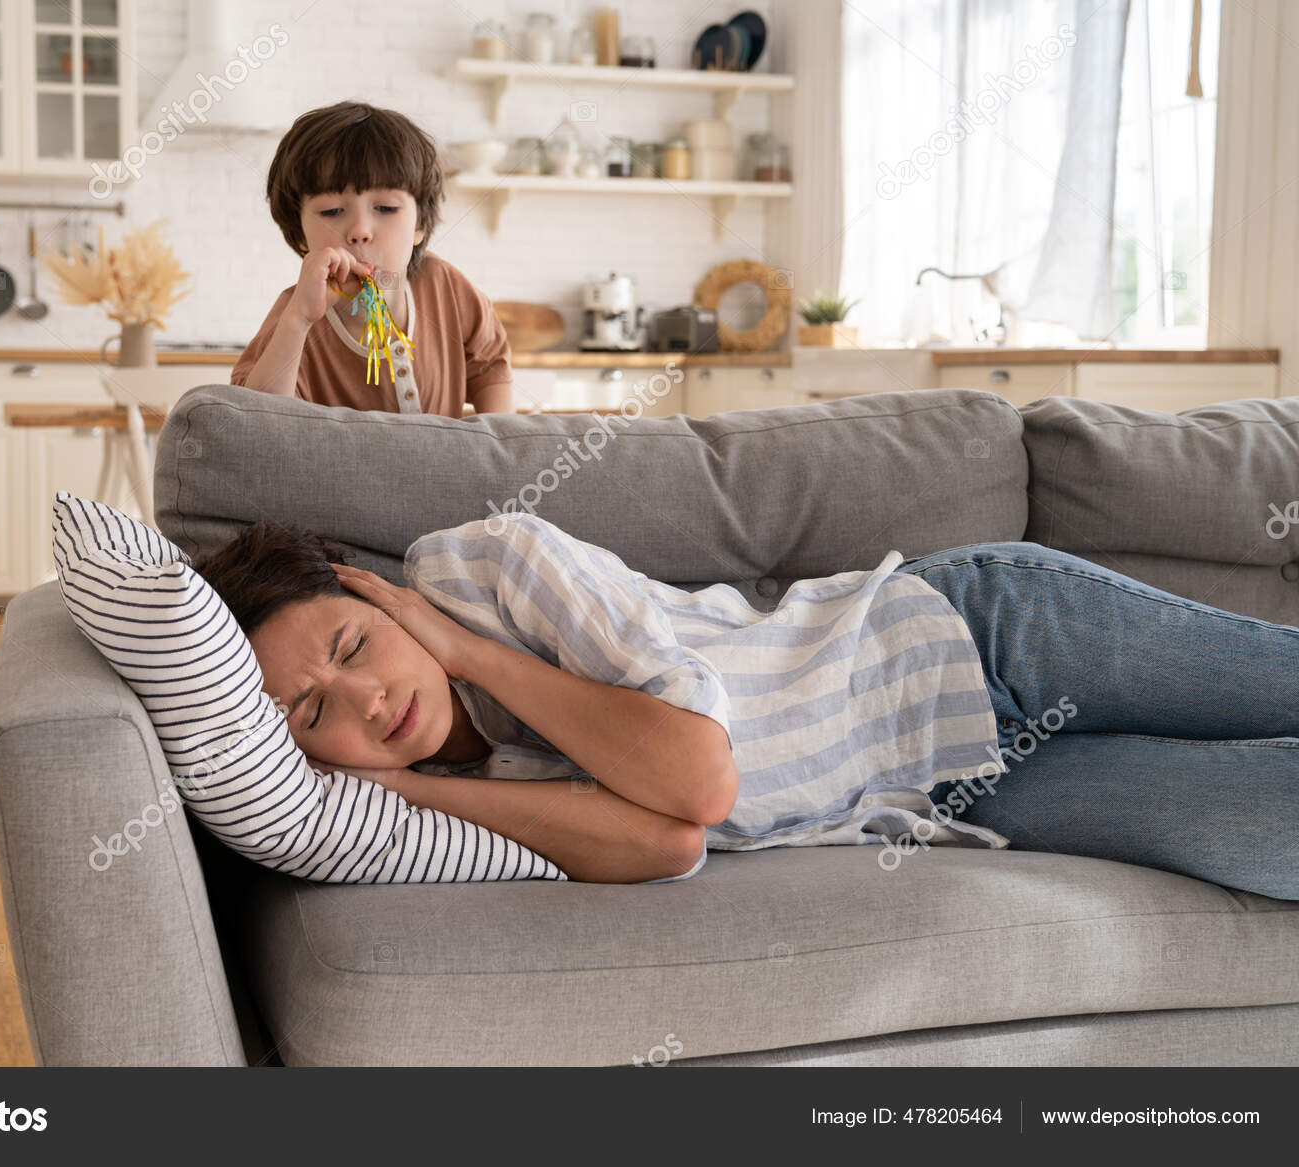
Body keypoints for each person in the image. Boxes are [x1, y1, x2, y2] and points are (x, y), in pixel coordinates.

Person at [194, 513, 1299, 898]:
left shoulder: (489, 566)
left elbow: (697, 777)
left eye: (351, 646)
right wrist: (406, 792)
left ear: (384, 601)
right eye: (307, 715)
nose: (364, 698)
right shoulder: (438, 796)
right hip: (965, 781)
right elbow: (668, 841)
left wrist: (477, 659)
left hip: (978, 635)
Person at [230, 101, 514, 417]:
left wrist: (494, 446)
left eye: (386, 209)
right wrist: (298, 321)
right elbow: (256, 422)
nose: (360, 231)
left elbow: (490, 365)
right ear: (299, 233)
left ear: (418, 225)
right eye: (332, 212)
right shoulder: (294, 316)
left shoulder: (445, 286)